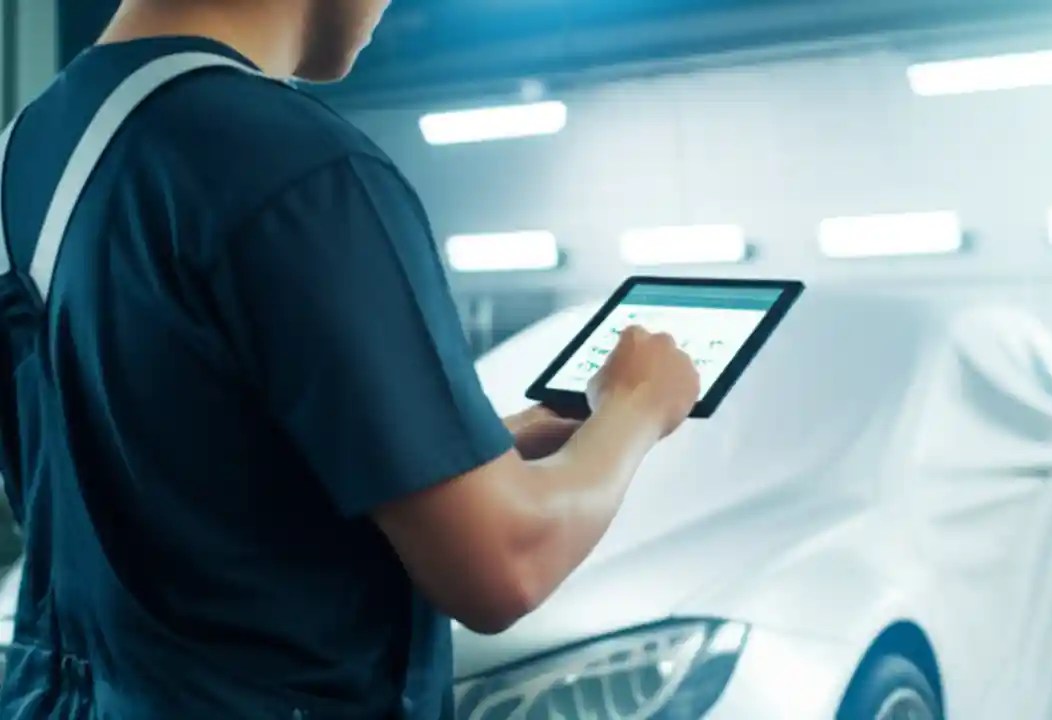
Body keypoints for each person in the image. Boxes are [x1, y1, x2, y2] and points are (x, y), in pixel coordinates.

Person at [0, 0, 699, 718]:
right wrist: (637, 407)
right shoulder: (286, 158)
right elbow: (504, 565)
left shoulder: (27, 150)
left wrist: (444, 462)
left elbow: (144, 475)